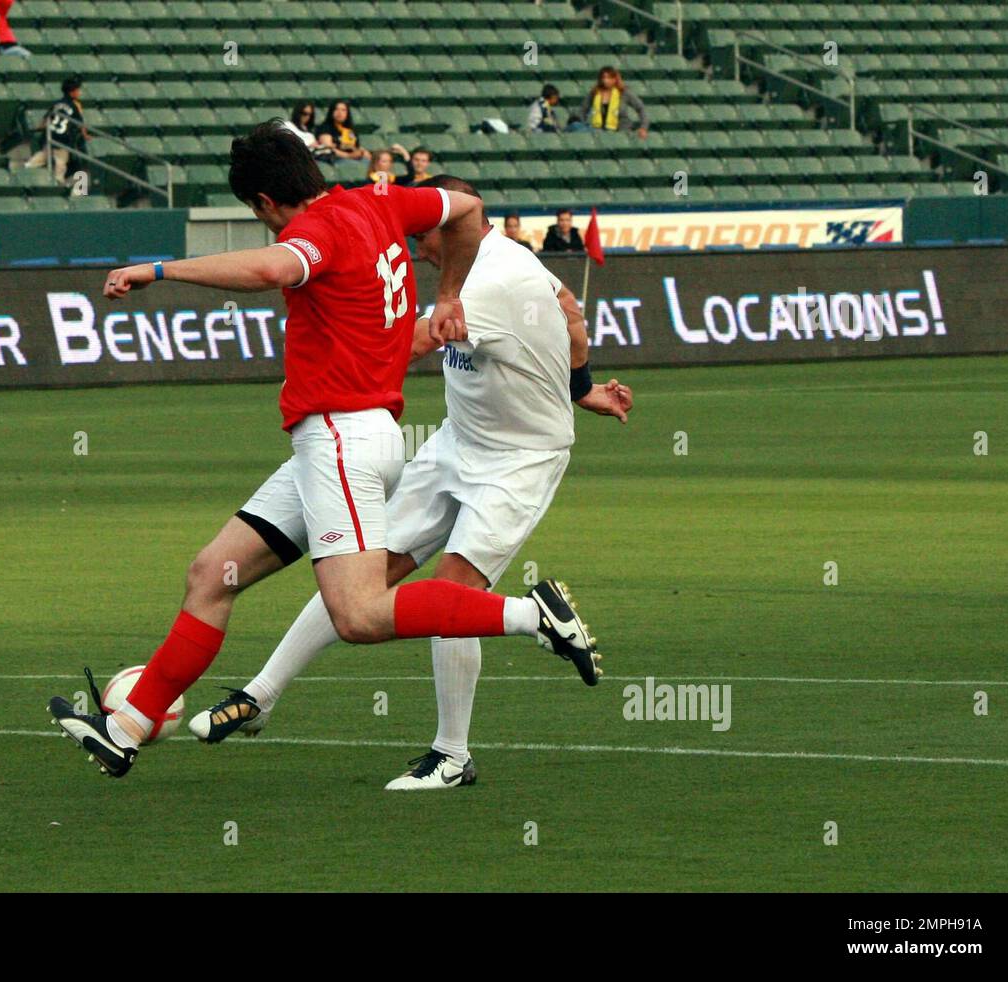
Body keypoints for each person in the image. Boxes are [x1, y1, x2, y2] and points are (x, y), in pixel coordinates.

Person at [46, 122, 601, 780]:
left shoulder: (320, 231)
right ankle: (127, 728)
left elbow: (269, 268)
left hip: (342, 439)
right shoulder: (380, 200)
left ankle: (532, 616)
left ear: (262, 202)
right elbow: (467, 208)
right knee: (214, 573)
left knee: (359, 613)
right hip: (340, 441)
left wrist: (159, 270)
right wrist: (449, 293)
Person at [189, 176, 632, 789]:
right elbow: (572, 313)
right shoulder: (504, 258)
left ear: (448, 231)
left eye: (421, 237)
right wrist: (583, 389)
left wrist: (333, 378)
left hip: (519, 461)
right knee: (361, 574)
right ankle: (260, 696)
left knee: (453, 590)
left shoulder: (493, 280)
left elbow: (416, 343)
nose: (416, 248)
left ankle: (452, 755)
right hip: (455, 443)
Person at [23, 76, 88, 184]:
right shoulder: (74, 106)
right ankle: (59, 181)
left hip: (51, 134)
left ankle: (28, 166)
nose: (79, 92)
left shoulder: (57, 103)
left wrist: (40, 127)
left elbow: (47, 117)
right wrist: (85, 135)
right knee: (61, 161)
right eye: (77, 90)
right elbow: (80, 123)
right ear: (72, 92)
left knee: (44, 154)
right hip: (62, 138)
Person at [569, 65, 648, 139]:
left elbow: (640, 108)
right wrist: (582, 121)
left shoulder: (624, 93)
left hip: (621, 131)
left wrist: (643, 127)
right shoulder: (595, 93)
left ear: (615, 79)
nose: (605, 80)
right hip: (598, 130)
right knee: (575, 126)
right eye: (603, 77)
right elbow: (583, 109)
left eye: (609, 78)